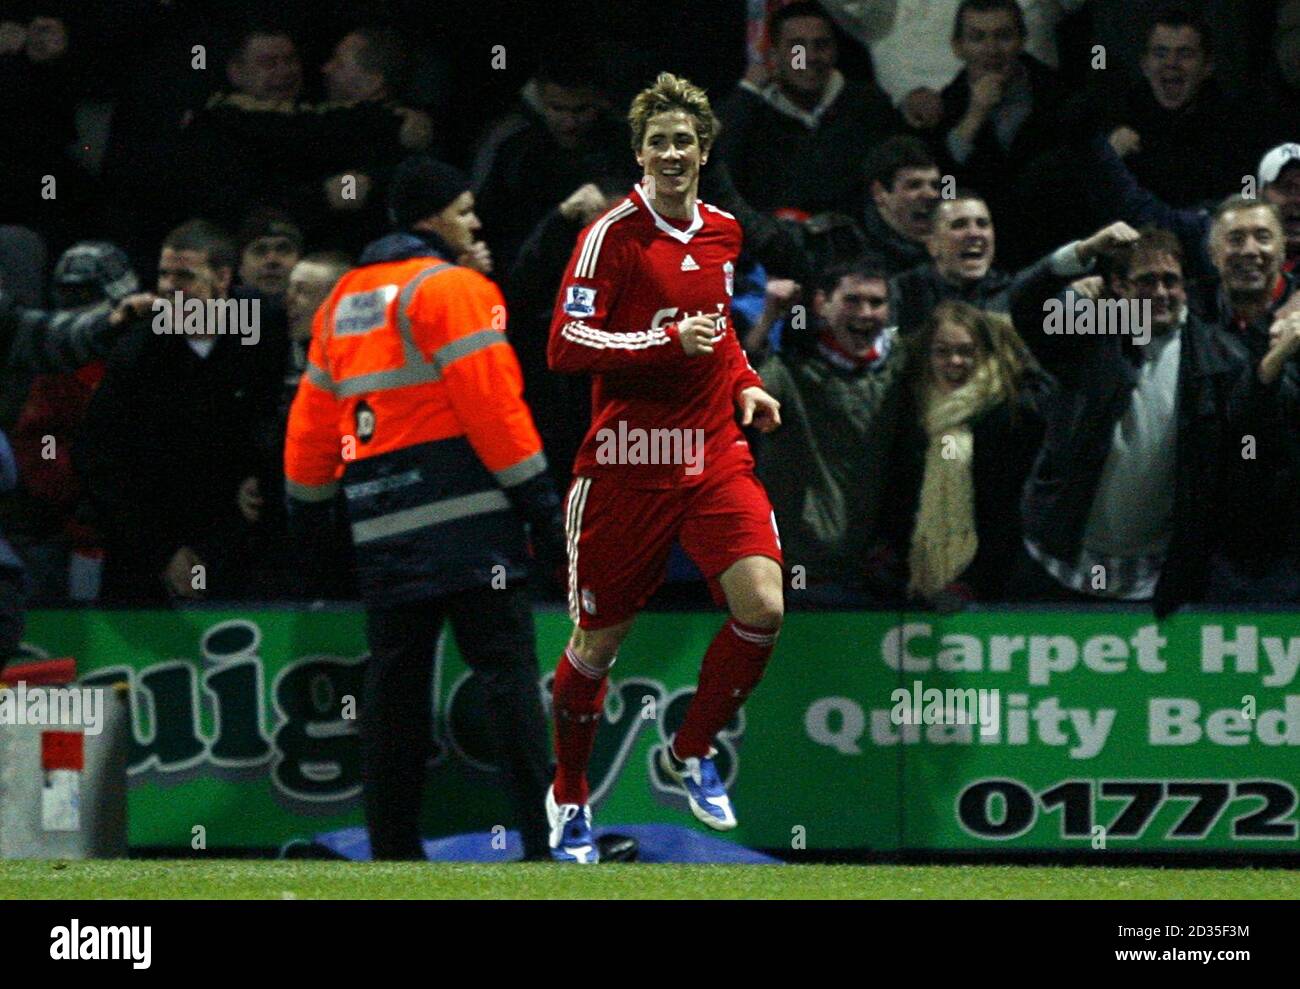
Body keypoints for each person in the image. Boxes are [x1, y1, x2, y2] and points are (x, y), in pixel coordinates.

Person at [283, 155, 564, 861]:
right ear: (433, 218)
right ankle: (545, 842)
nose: (474, 221)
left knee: (393, 691)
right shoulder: (453, 288)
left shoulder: (343, 299)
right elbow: (492, 406)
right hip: (471, 522)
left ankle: (394, 851)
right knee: (507, 681)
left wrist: (308, 515)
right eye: (465, 210)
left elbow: (311, 420)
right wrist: (540, 502)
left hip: (383, 530)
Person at [545, 73, 784, 862]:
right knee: (597, 645)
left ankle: (688, 751)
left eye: (686, 141)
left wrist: (746, 382)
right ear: (639, 153)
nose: (673, 153)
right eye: (659, 142)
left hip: (712, 450)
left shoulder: (722, 231)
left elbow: (715, 334)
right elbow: (563, 347)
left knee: (764, 606)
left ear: (705, 150)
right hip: (625, 462)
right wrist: (659, 341)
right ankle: (570, 795)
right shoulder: (611, 234)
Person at [1008, 222, 1290, 615]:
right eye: (1146, 281)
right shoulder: (1089, 330)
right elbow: (1023, 305)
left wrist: (1273, 364)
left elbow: (1252, 441)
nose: (1160, 292)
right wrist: (1084, 248)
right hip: (1058, 562)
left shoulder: (1223, 358)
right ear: (1119, 287)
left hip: (1158, 578)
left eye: (1170, 281)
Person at [76, 219, 284, 605]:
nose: (170, 286)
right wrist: (162, 552)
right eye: (164, 274)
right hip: (146, 548)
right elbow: (98, 457)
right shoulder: (139, 348)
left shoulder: (261, 330)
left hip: (241, 546)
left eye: (184, 276)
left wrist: (264, 475)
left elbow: (274, 415)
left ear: (222, 278)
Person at [880, 301, 1053, 607]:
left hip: (991, 587)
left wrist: (972, 583)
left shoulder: (1010, 412)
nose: (955, 361)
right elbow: (897, 495)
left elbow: (1008, 514)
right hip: (910, 584)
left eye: (967, 351)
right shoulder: (909, 408)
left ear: (985, 352)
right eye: (943, 351)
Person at [755, 260, 905, 605]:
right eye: (852, 300)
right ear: (822, 304)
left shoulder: (903, 365)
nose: (865, 313)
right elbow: (735, 393)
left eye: (876, 303)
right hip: (804, 569)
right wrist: (767, 320)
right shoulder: (790, 371)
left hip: (881, 569)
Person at [716, 1, 902, 217]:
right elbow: (714, 170)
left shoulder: (869, 108)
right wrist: (747, 92)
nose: (810, 57)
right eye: (798, 48)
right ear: (774, 57)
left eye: (821, 45)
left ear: (834, 52)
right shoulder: (753, 114)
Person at [861, 136, 943, 277]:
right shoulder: (856, 254)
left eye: (935, 185)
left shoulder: (950, 249)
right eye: (914, 185)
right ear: (879, 193)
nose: (931, 195)